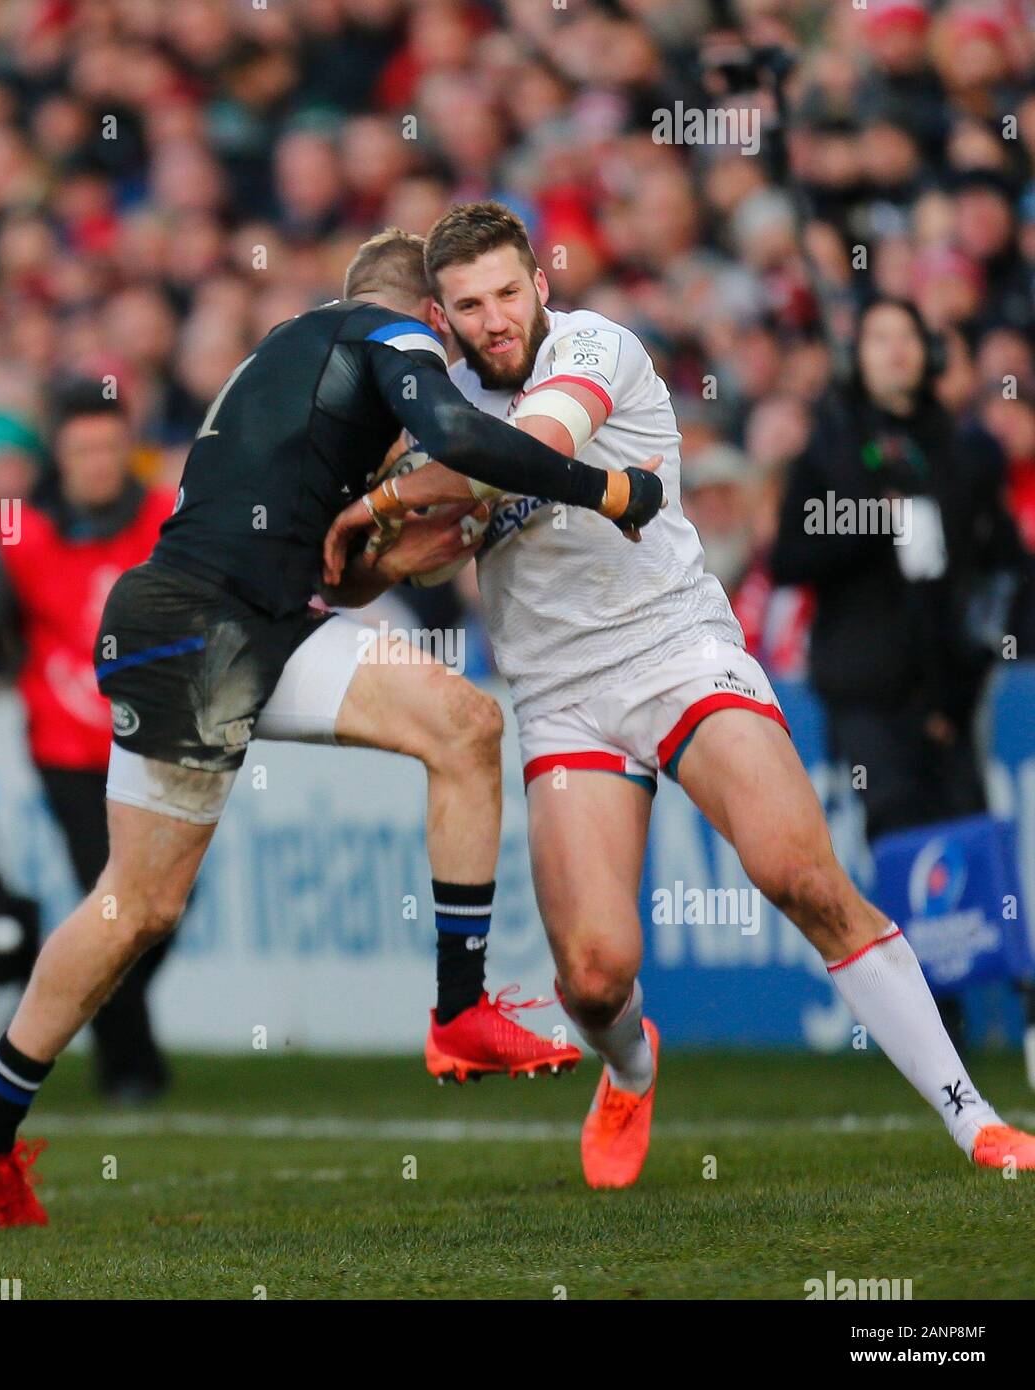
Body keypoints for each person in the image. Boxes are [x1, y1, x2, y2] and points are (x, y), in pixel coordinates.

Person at [0, 228, 663, 1226]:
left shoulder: (296, 352)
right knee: (155, 897)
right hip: (220, 628)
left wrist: (392, 550)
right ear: (428, 315)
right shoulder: (390, 334)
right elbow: (463, 435)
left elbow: (329, 563)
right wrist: (608, 487)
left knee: (440, 735)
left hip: (208, 623)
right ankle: (455, 1010)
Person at [325, 202, 1035, 1188]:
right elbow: (372, 574)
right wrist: (368, 550)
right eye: (467, 305)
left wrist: (383, 497)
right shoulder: (440, 415)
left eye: (505, 293)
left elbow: (525, 447)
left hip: (677, 650)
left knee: (800, 873)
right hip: (561, 698)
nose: (493, 319)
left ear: (540, 286)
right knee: (596, 972)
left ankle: (975, 1118)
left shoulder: (592, 346)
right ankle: (629, 1068)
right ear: (441, 318)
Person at [0, 381, 179, 1101]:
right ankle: (130, 1066)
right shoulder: (24, 538)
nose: (99, 462)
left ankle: (88, 1010)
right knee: (113, 902)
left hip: (169, 745)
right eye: (83, 448)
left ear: (128, 451)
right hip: (70, 753)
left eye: (111, 446)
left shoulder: (171, 522)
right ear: (61, 455)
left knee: (163, 909)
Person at [771, 297, 1022, 842]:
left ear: (929, 354)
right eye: (879, 338)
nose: (896, 351)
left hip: (954, 689)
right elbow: (788, 559)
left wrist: (982, 649)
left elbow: (1004, 565)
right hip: (867, 688)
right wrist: (869, 521)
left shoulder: (965, 449)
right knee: (899, 835)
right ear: (856, 357)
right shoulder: (829, 447)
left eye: (907, 336)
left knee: (968, 838)